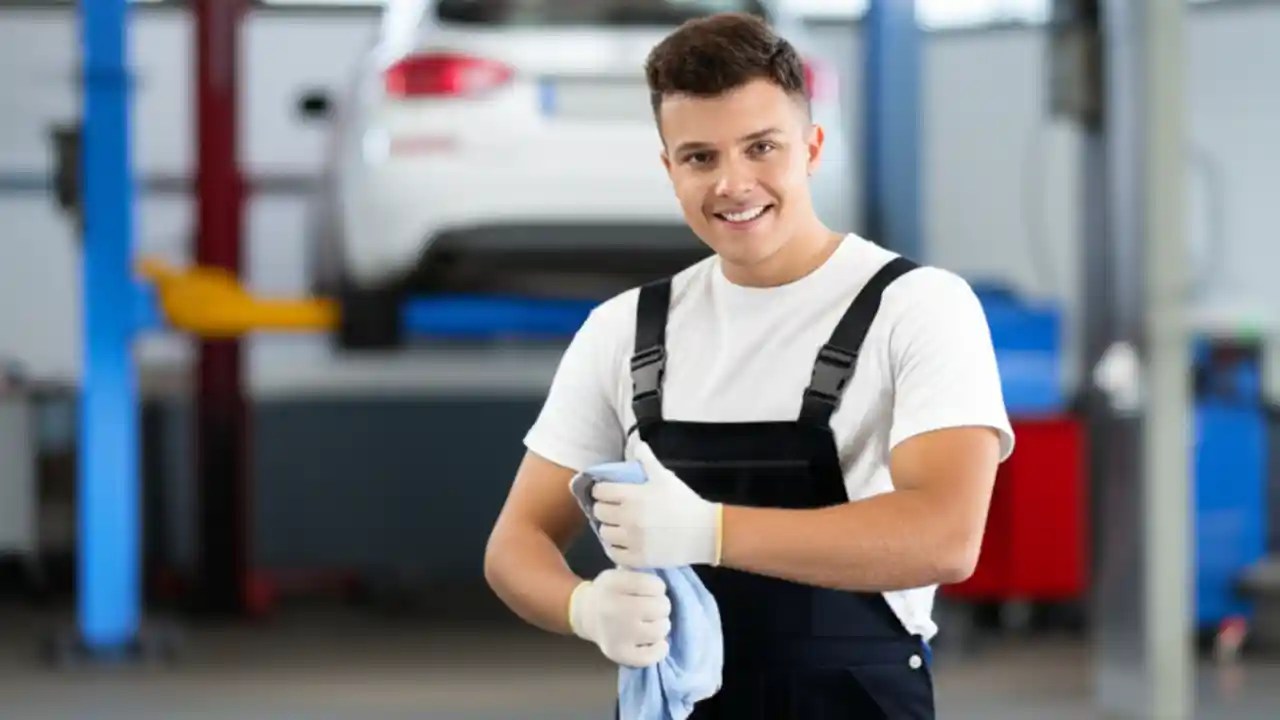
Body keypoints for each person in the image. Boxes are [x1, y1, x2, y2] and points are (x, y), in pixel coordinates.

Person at [484, 12, 1015, 719]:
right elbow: (516, 543)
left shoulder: (918, 308)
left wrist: (710, 533)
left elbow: (946, 538)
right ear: (669, 168)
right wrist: (584, 607)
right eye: (700, 157)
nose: (734, 183)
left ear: (812, 147)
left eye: (761, 147)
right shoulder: (627, 330)